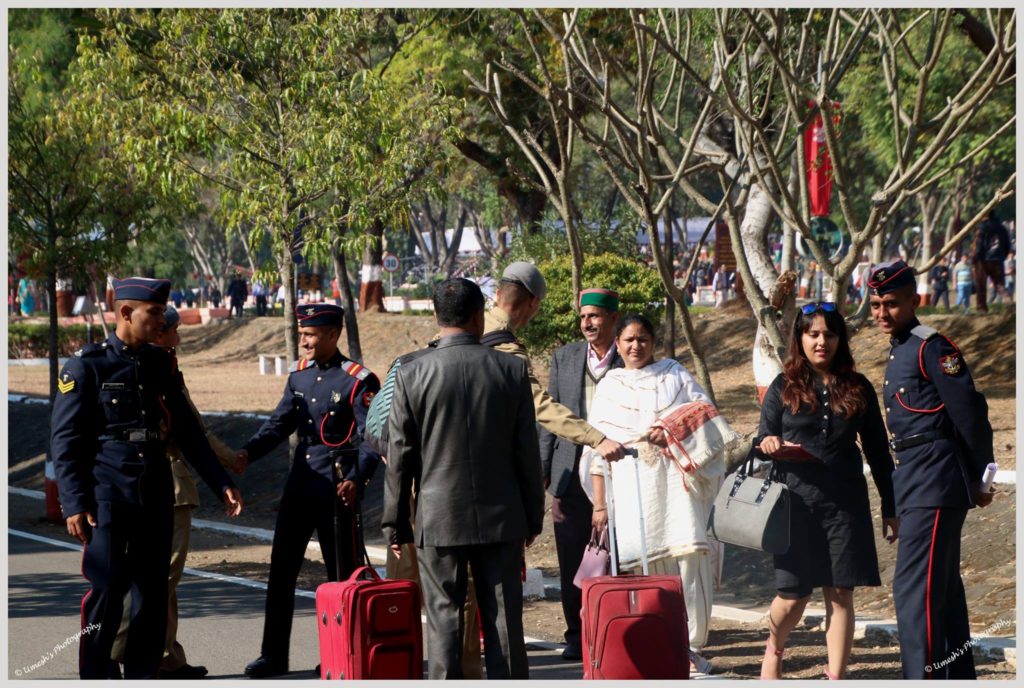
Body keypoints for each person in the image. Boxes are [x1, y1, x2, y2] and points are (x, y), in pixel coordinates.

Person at [50, 277, 244, 680]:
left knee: (152, 595)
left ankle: (141, 674)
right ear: (125, 313)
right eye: (153, 313)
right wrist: (74, 501)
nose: (161, 320)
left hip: (154, 492)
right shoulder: (88, 365)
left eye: (161, 313)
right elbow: (66, 440)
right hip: (107, 495)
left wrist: (220, 482)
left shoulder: (161, 364)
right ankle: (97, 674)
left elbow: (189, 431)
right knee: (107, 590)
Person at [382, 278, 545, 680]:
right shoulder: (511, 369)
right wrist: (532, 518)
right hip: (503, 516)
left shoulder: (412, 371)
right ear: (478, 317)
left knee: (444, 623)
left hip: (437, 519)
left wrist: (396, 524)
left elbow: (400, 456)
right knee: (504, 624)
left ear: (437, 317)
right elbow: (527, 452)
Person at [235, 303, 381, 678]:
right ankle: (272, 655)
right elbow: (279, 423)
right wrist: (247, 453)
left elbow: (372, 438)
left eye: (311, 335)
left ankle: (344, 653)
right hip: (301, 486)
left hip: (338, 489)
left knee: (342, 575)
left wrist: (358, 479)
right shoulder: (298, 376)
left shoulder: (358, 381)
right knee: (281, 569)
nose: (304, 342)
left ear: (333, 335)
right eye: (302, 334)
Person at [867, 260, 996, 679]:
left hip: (936, 478)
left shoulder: (931, 347)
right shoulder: (903, 347)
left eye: (890, 304)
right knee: (941, 592)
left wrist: (981, 477)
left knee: (914, 592)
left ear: (914, 301)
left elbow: (969, 415)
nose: (882, 313)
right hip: (916, 478)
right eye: (874, 305)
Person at [756, 302, 897, 680]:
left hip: (844, 504)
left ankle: (836, 677)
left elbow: (879, 452)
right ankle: (774, 648)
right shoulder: (782, 386)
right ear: (799, 339)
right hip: (794, 505)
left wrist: (890, 504)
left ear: (840, 339)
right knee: (792, 596)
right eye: (813, 334)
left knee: (840, 592)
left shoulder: (858, 386)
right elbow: (761, 437)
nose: (821, 342)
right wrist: (768, 443)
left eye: (829, 334)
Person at [580, 314, 722, 675]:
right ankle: (655, 643)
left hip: (678, 490)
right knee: (644, 570)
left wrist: (670, 431)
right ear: (619, 344)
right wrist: (600, 505)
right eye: (628, 339)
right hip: (632, 492)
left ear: (653, 341)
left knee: (690, 562)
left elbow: (706, 416)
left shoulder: (674, 374)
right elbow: (596, 450)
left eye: (642, 339)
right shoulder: (611, 384)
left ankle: (689, 648)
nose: (635, 346)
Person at [110, 306, 238, 679]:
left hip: (159, 483)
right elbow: (192, 431)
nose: (178, 338)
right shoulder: (152, 368)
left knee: (164, 583)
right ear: (157, 332)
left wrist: (230, 465)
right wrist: (231, 463)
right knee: (159, 581)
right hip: (166, 485)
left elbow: (193, 431)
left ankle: (167, 656)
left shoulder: (161, 366)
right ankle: (117, 649)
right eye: (172, 331)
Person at [537, 288, 623, 662]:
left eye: (595, 316)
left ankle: (616, 630)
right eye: (583, 317)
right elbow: (549, 419)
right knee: (573, 557)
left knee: (617, 557)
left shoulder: (632, 354)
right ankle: (577, 636)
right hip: (569, 473)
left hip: (618, 474)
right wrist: (542, 471)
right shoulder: (565, 357)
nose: (588, 323)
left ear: (613, 320)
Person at [972, 210, 1013, 311]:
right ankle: (1010, 303)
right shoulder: (1002, 228)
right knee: (999, 284)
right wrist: (1002, 256)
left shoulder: (982, 227)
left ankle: (981, 308)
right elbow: (1007, 245)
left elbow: (979, 244)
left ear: (985, 215)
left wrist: (975, 259)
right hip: (998, 259)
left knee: (981, 285)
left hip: (983, 260)